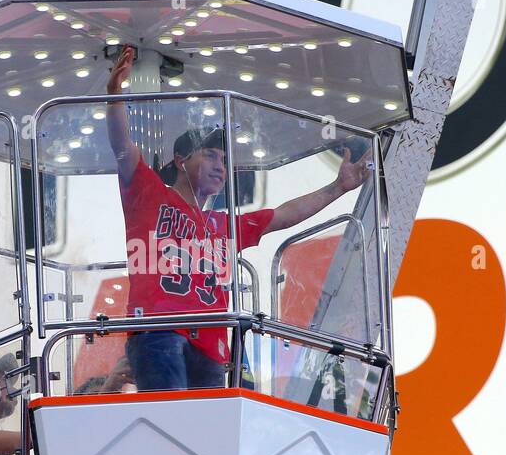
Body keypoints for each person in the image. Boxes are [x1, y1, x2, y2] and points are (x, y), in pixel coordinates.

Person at [105, 45, 371, 392]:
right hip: (160, 331)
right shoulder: (150, 195)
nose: (220, 165)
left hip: (213, 346)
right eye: (211, 154)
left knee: (208, 433)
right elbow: (123, 147)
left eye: (225, 160)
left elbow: (284, 214)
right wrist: (114, 97)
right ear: (181, 159)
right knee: (170, 419)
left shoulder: (224, 223)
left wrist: (338, 187)